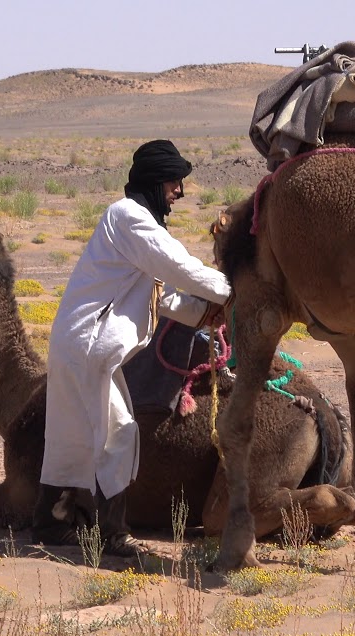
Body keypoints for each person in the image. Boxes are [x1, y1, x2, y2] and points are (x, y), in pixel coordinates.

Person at [34, 139, 232, 556]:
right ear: (156, 182)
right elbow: (177, 266)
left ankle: (52, 525)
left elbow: (158, 296)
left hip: (79, 343)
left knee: (75, 439)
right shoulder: (130, 218)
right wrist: (232, 291)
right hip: (89, 346)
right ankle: (112, 535)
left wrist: (204, 314)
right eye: (175, 182)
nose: (179, 191)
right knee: (118, 433)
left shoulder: (128, 226)